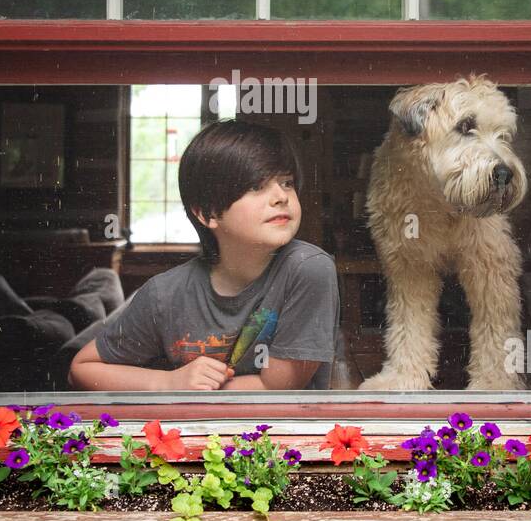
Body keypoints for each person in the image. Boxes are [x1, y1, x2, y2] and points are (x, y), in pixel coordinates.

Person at [68, 120, 339, 391]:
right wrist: (168, 382)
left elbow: (275, 390)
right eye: (257, 186)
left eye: (287, 182)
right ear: (207, 213)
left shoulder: (308, 269)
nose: (281, 196)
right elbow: (81, 369)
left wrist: (197, 392)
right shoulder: (164, 294)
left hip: (277, 431)